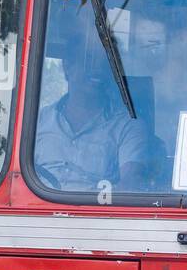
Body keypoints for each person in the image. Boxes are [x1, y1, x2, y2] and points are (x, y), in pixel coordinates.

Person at [34, 35, 153, 192]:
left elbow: (130, 185)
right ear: (67, 67)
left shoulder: (129, 127)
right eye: (88, 59)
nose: (97, 68)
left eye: (105, 62)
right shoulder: (37, 121)